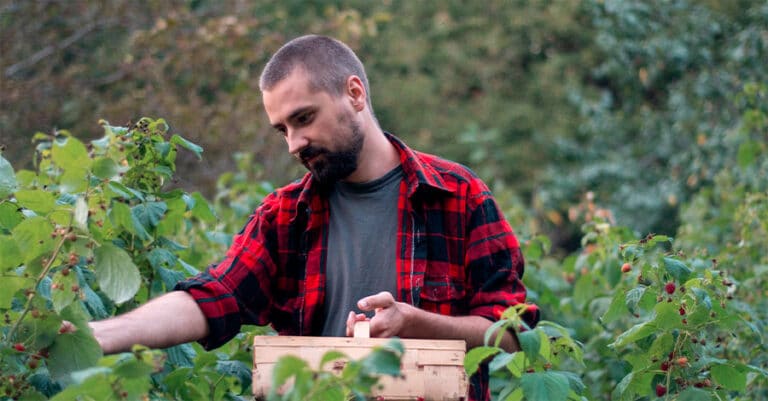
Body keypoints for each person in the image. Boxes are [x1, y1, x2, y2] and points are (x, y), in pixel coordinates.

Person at [89, 34, 539, 400]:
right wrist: (101, 335)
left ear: (355, 94)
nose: (294, 143)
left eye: (304, 118)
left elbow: (515, 335)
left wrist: (419, 323)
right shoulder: (285, 216)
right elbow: (214, 297)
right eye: (282, 129)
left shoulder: (457, 195)